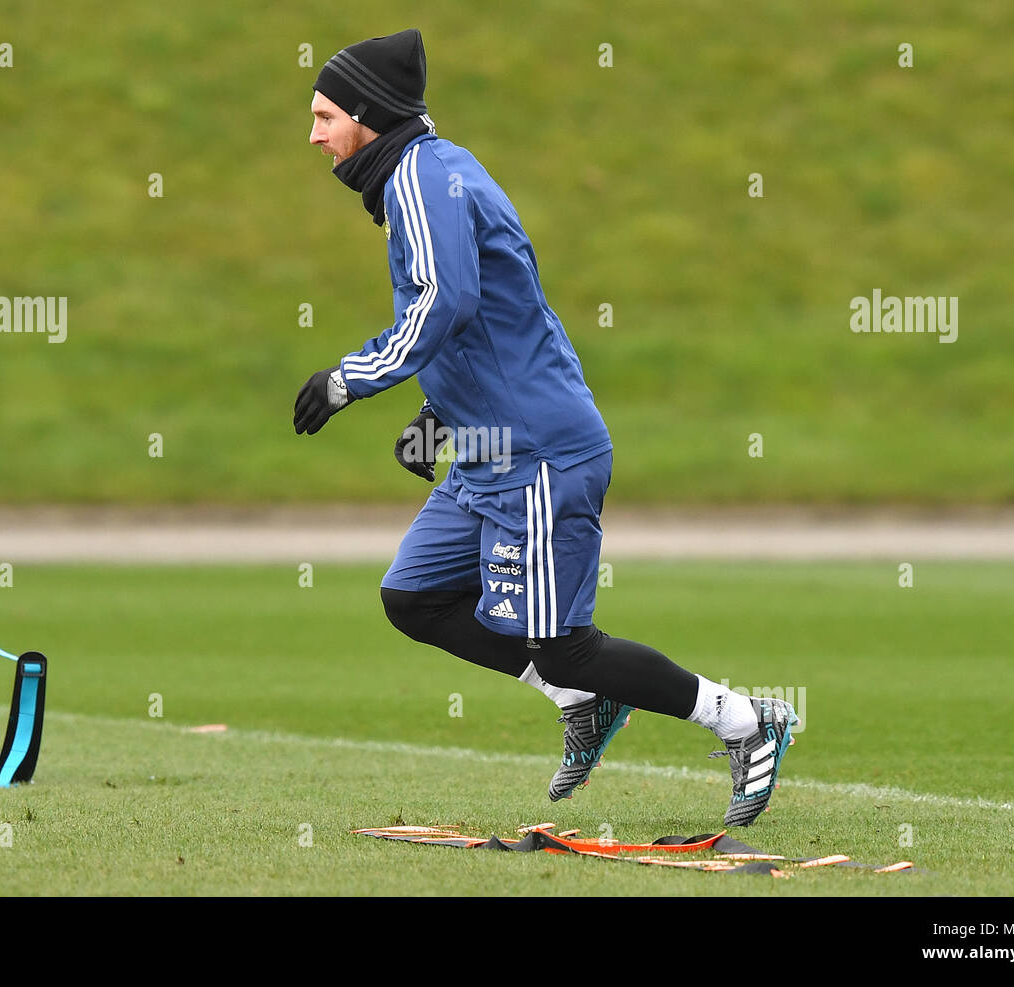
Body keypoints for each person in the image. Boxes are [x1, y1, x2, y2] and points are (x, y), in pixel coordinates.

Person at [294, 29, 798, 824]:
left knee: (563, 641)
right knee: (414, 597)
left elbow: (447, 302)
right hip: (489, 447)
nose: (316, 134)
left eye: (325, 115)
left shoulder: (421, 180)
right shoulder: (433, 171)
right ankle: (582, 702)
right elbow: (501, 305)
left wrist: (346, 379)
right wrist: (438, 410)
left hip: (535, 453)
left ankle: (746, 719)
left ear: (368, 112)